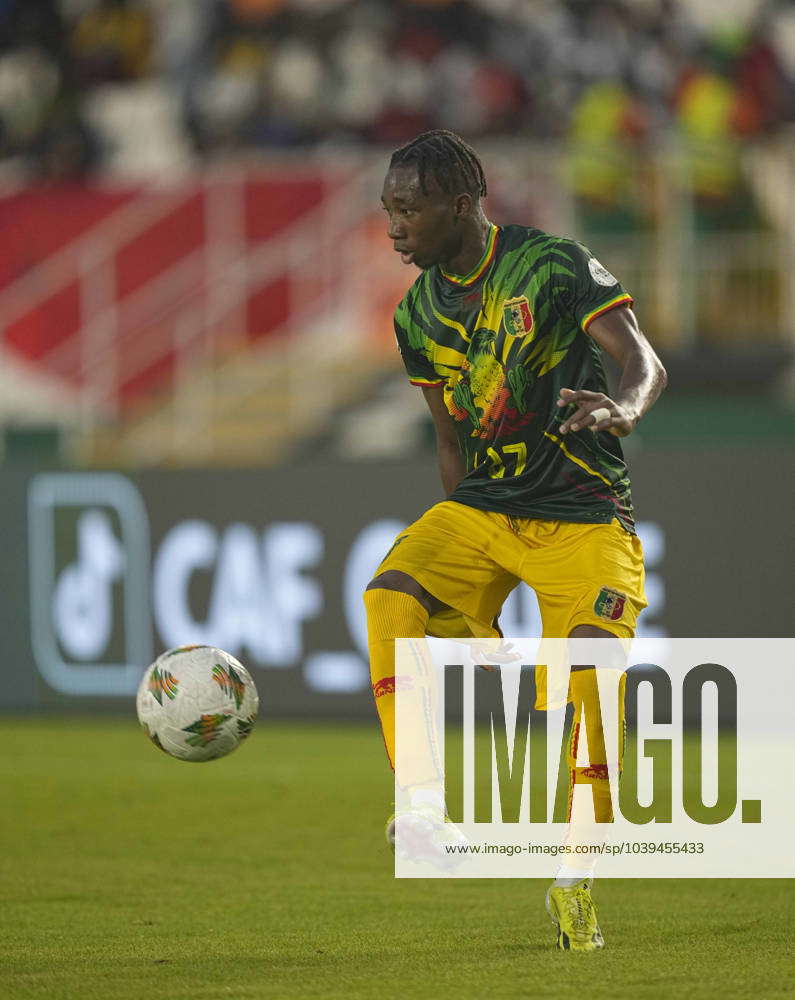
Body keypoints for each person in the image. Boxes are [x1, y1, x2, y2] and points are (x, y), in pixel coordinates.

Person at [363, 129, 667, 952]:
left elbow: (641, 362)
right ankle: (423, 810)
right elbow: (449, 441)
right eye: (388, 209)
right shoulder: (416, 313)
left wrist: (625, 409)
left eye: (408, 209)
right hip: (486, 510)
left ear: (459, 205)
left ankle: (573, 883)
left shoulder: (552, 264)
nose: (393, 227)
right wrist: (470, 578)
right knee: (390, 595)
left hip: (585, 514)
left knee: (587, 699)